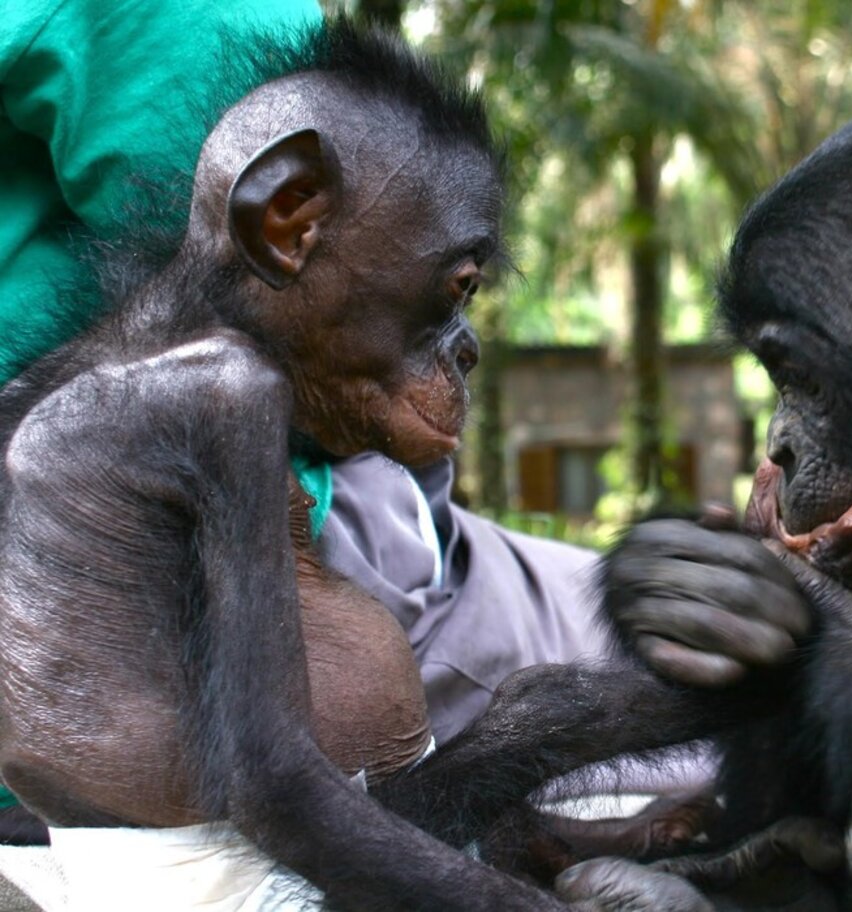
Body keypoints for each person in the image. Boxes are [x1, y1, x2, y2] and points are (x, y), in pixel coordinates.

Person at [1, 0, 629, 813]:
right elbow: (283, 792)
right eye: (462, 292)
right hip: (259, 577)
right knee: (675, 669)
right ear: (289, 219)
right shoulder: (223, 382)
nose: (469, 343)